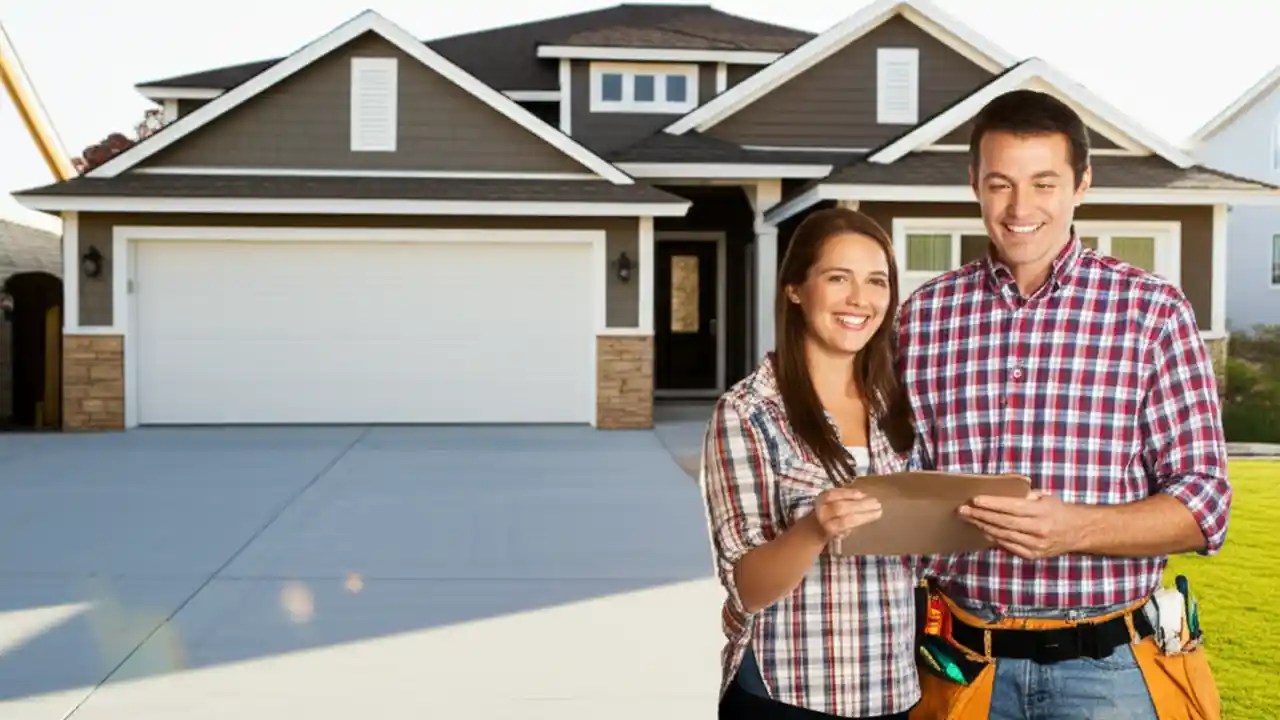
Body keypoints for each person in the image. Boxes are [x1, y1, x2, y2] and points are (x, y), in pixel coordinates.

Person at [896, 88, 1232, 719]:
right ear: (974, 183)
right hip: (959, 669)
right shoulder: (923, 317)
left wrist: (1077, 528)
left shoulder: (1151, 310)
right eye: (1000, 184)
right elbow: (901, 487)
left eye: (1044, 183)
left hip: (1109, 672)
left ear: (1082, 185)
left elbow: (1205, 504)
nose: (1020, 207)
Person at [700, 207, 921, 719]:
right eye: (837, 278)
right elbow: (747, 587)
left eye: (876, 282)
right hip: (789, 695)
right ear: (795, 290)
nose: (860, 300)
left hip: (893, 692)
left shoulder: (896, 407)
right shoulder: (749, 412)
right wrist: (814, 527)